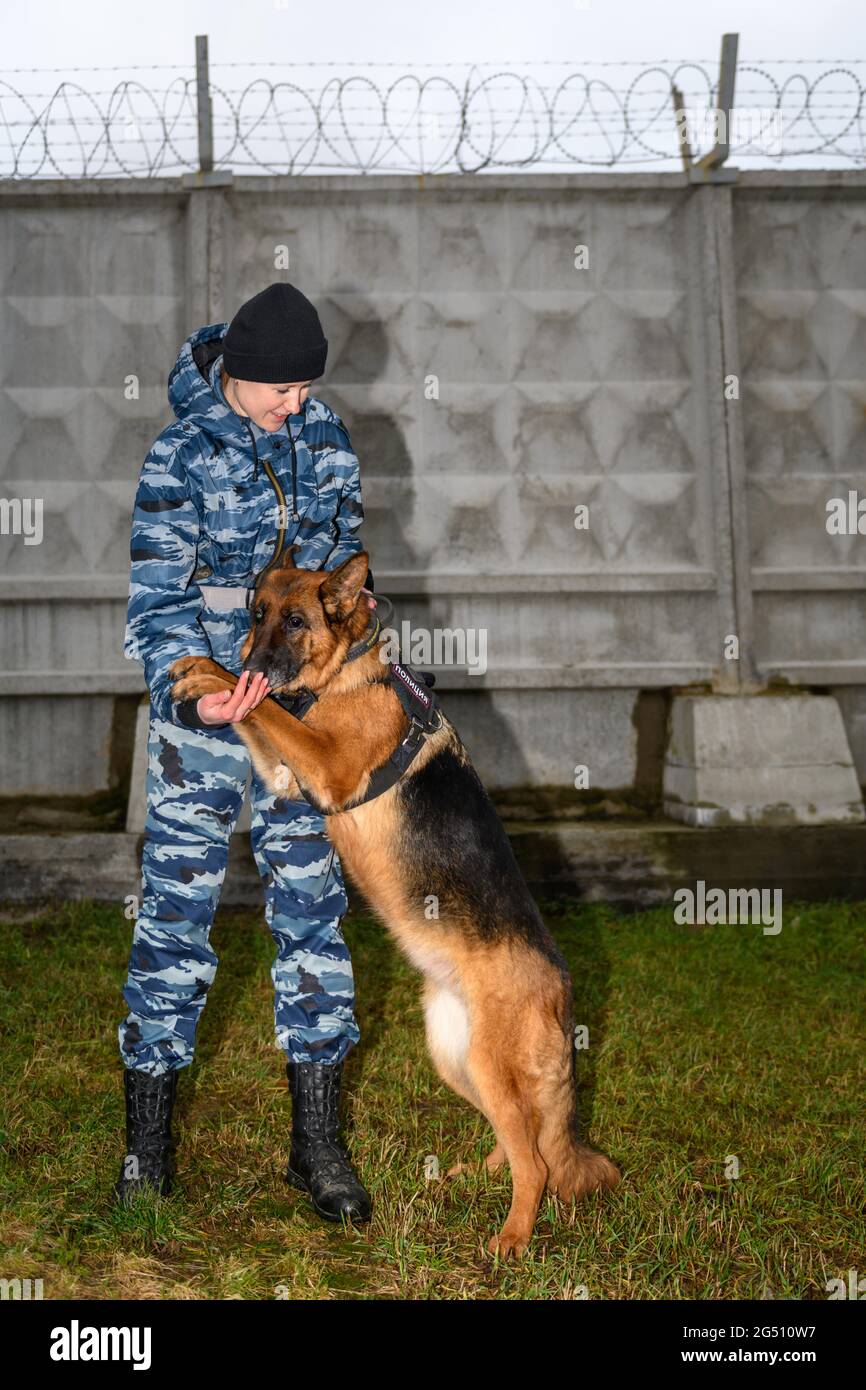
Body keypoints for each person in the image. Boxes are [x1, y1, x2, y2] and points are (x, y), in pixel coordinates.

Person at [116, 282, 376, 1223]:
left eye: (307, 389)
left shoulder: (328, 440)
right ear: (236, 374)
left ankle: (317, 1147)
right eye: (281, 391)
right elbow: (157, 602)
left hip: (296, 717)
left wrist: (338, 656)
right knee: (175, 919)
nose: (296, 406)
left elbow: (348, 571)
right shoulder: (178, 455)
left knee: (312, 911)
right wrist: (197, 685)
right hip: (205, 723)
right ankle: (147, 1147)